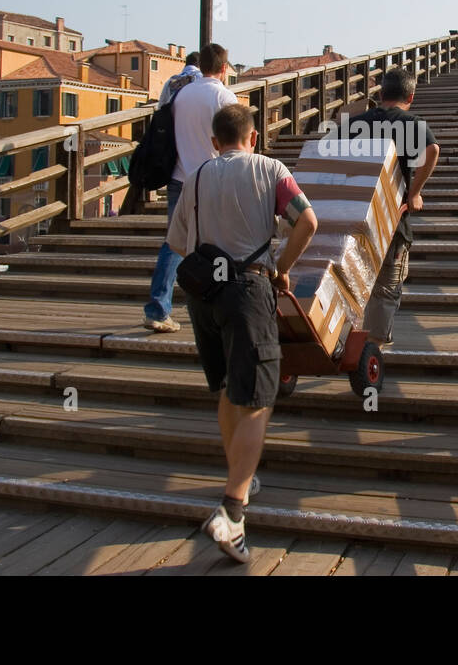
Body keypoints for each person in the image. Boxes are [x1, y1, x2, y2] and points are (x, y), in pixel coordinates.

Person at [165, 103, 318, 563]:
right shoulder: (270, 169)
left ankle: (240, 475)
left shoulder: (195, 176)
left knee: (229, 389)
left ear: (215, 142)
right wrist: (282, 269)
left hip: (201, 296)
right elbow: (307, 220)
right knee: (257, 400)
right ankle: (233, 510)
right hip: (248, 288)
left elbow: (176, 242)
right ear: (254, 137)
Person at [143, 43, 237, 332]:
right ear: (223, 68)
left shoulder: (181, 95)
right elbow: (235, 139)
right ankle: (220, 305)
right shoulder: (224, 96)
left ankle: (158, 309)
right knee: (220, 243)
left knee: (174, 244)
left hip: (180, 178)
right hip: (212, 179)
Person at [349, 67, 440, 349]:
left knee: (352, 278)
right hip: (392, 219)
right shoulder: (412, 123)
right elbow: (433, 150)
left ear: (380, 94)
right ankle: (372, 350)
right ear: (410, 96)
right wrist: (414, 193)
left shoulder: (355, 122)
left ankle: (345, 339)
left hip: (354, 215)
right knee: (387, 286)